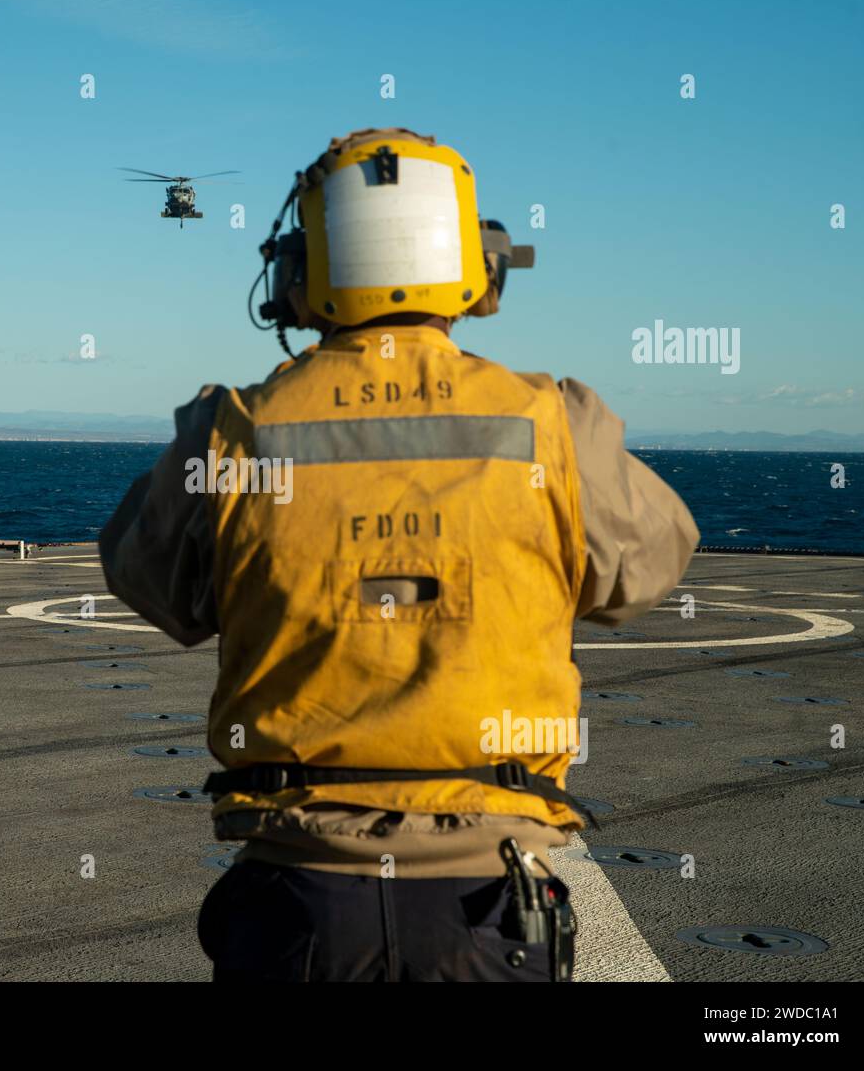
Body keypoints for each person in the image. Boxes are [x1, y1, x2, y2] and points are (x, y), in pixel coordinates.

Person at [99, 128, 699, 982]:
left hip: (298, 903)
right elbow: (647, 568)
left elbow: (146, 579)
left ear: (299, 271)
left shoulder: (233, 430)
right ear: (478, 268)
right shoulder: (552, 426)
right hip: (490, 911)